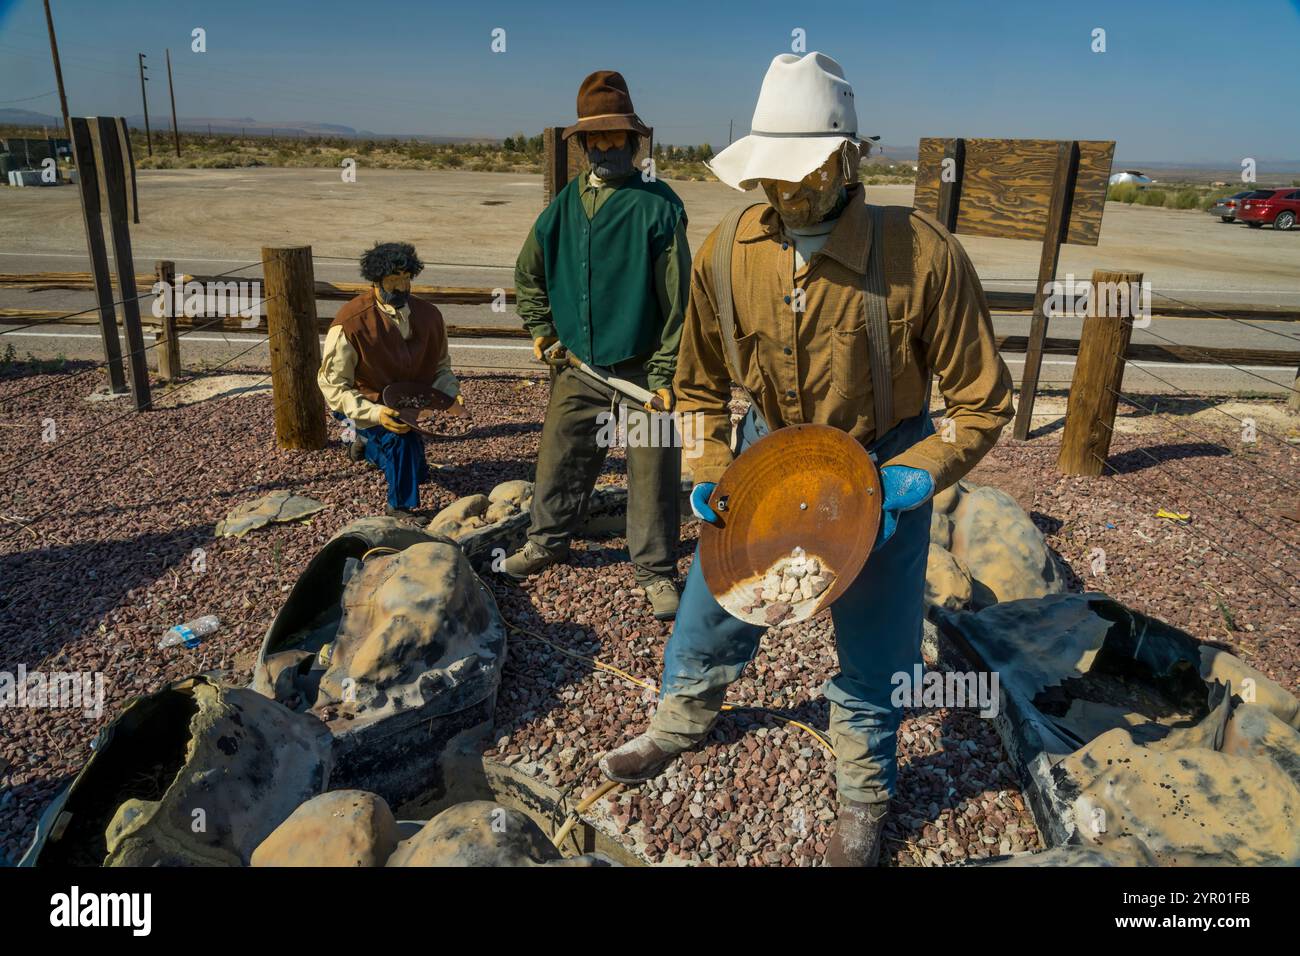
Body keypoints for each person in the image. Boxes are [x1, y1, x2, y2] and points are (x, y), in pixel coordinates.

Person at [598, 52, 1015, 865]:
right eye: (774, 177)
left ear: (851, 158)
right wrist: (711, 465)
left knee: (879, 638)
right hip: (767, 455)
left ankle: (863, 791)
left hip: (881, 465)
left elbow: (982, 403)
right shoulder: (730, 251)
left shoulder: (922, 256)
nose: (786, 195)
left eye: (805, 174)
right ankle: (678, 722)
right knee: (715, 597)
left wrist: (920, 472)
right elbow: (699, 382)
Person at [502, 70, 692, 622]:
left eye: (616, 138)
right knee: (561, 454)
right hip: (578, 365)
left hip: (640, 368)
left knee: (653, 467)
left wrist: (663, 374)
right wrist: (541, 328)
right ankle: (547, 542)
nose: (606, 147)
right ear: (583, 143)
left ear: (633, 142)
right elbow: (528, 272)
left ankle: (655, 571)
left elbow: (679, 304)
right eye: (596, 138)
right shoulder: (564, 204)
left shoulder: (657, 207)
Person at [317, 241, 464, 520]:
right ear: (376, 281)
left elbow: (441, 368)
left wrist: (450, 396)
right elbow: (334, 386)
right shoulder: (350, 323)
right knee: (402, 442)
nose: (401, 287)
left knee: (418, 470)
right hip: (365, 400)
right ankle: (399, 508)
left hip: (408, 401)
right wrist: (375, 413)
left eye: (406, 278)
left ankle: (368, 445)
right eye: (393, 279)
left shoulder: (431, 316)